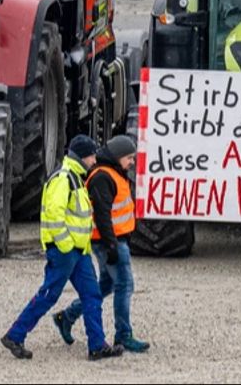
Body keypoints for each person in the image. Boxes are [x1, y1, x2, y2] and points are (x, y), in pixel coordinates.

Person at [2, 135, 123, 361]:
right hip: (67, 251)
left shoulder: (74, 178)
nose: (94, 160)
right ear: (81, 157)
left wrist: (76, 247)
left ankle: (97, 345)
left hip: (77, 251)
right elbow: (54, 215)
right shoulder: (64, 179)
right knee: (50, 294)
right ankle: (15, 335)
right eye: (91, 155)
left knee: (91, 295)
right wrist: (67, 245)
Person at [54, 135, 150, 353]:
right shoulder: (103, 177)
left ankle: (66, 316)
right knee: (124, 285)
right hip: (110, 241)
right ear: (117, 157)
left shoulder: (112, 174)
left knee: (106, 286)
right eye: (129, 158)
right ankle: (123, 335)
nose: (132, 162)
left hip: (112, 240)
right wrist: (112, 245)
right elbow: (102, 215)